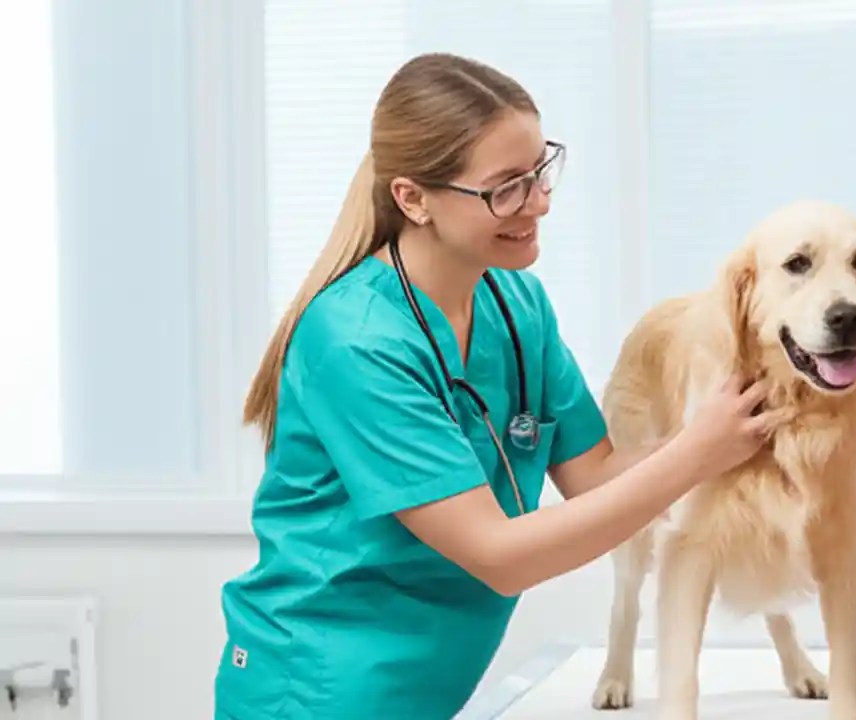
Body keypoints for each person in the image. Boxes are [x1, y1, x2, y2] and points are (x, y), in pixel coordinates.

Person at [212, 53, 788, 720]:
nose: (539, 203)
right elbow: (500, 557)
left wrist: (737, 425)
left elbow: (596, 477)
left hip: (425, 691)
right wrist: (697, 454)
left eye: (542, 171)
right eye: (506, 187)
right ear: (413, 199)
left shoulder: (517, 305)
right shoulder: (354, 341)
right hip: (315, 690)